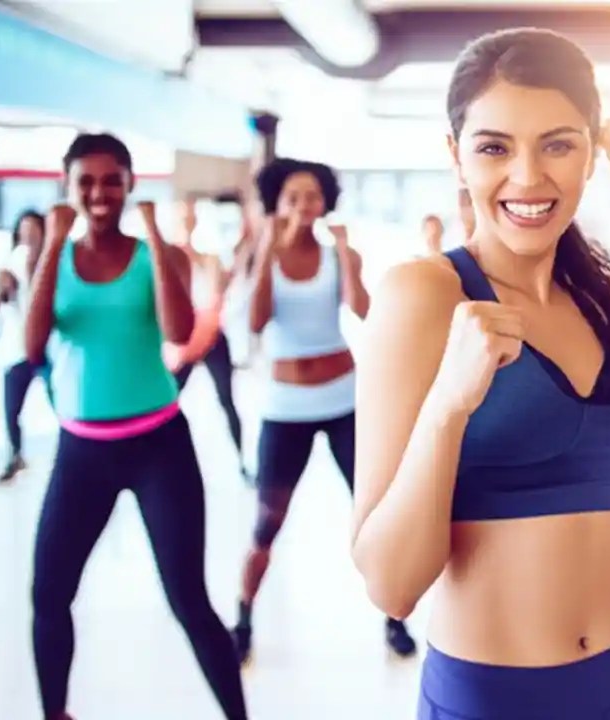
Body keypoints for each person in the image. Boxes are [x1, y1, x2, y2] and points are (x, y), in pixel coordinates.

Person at [351, 28, 610, 719]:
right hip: (498, 696)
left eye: (558, 144)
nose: (528, 177)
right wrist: (447, 406)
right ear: (455, 156)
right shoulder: (421, 296)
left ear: (591, 153)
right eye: (494, 146)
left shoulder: (607, 299)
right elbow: (390, 585)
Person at [24, 133, 247, 720]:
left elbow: (177, 334)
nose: (99, 193)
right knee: (48, 595)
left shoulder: (157, 254)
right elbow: (30, 344)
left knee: (189, 601)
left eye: (111, 180)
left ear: (129, 185)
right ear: (68, 188)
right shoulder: (52, 257)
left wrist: (153, 234)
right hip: (82, 453)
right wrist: (51, 241)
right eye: (86, 182)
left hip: (159, 447)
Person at [231, 157, 417, 663]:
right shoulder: (261, 252)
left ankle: (395, 615)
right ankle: (244, 614)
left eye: (312, 196)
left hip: (342, 399)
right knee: (268, 520)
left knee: (374, 510)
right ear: (278, 202)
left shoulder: (340, 253)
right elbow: (255, 319)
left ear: (325, 201)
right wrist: (268, 244)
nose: (304, 205)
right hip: (285, 407)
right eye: (293, 197)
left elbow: (364, 310)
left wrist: (342, 250)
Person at [163, 199, 247, 481]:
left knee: (227, 400)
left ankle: (242, 462)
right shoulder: (167, 260)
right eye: (182, 217)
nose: (187, 222)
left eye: (191, 217)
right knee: (167, 403)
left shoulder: (208, 259)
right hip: (183, 341)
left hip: (210, 336)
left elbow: (219, 288)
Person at [0, 209, 46, 483]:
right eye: (24, 230)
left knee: (65, 401)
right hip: (16, 351)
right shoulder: (11, 262)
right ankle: (15, 456)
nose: (29, 235)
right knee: (11, 409)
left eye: (34, 230)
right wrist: (3, 289)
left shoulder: (51, 263)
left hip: (45, 348)